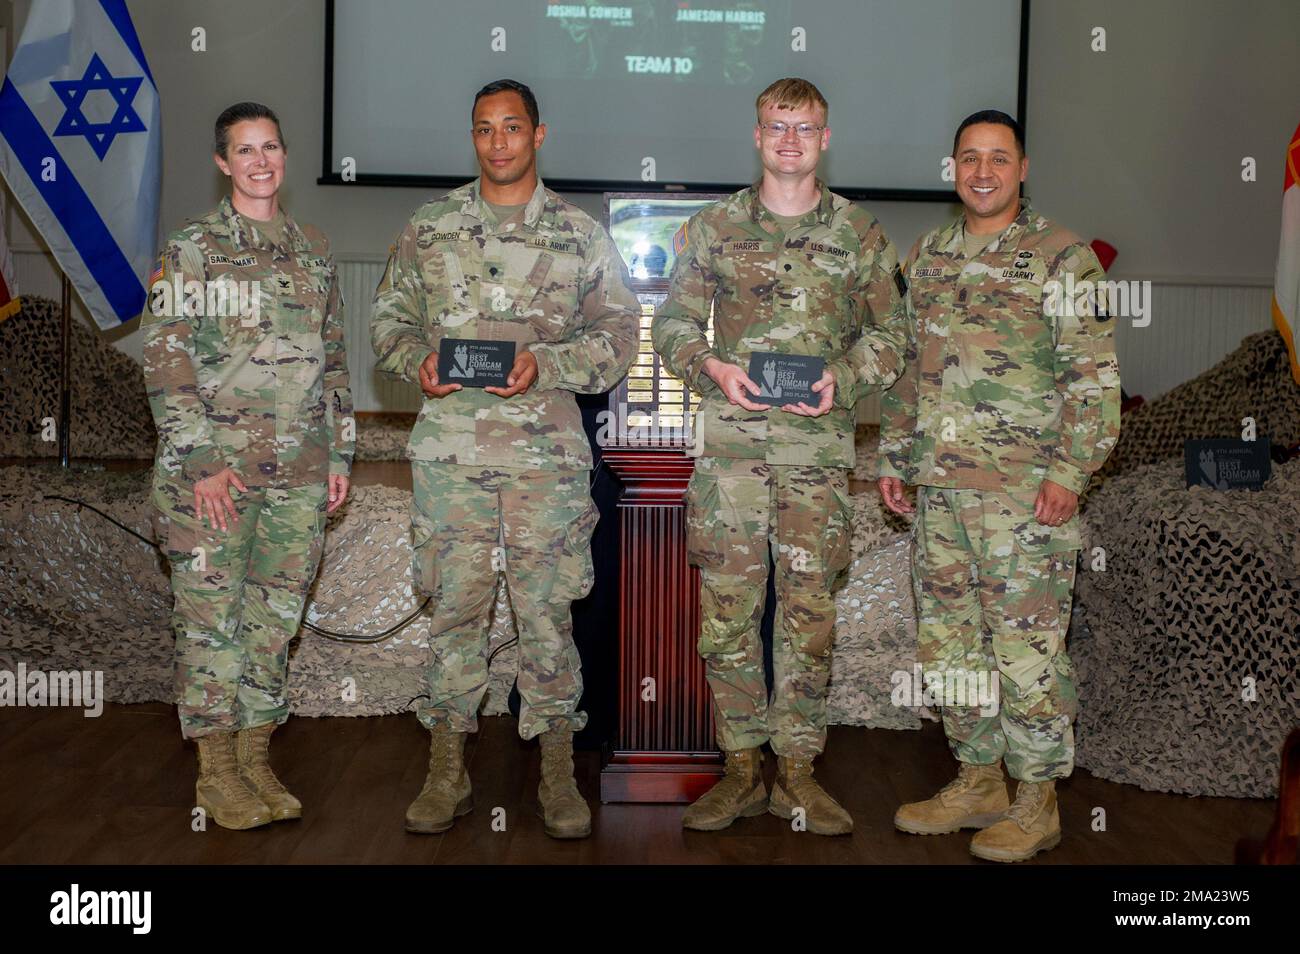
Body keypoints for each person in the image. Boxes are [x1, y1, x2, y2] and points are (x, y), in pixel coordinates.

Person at [370, 78, 639, 839]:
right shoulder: (430, 227)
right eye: (484, 128)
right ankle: (447, 771)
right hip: (451, 456)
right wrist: (418, 360)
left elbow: (619, 336)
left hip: (544, 461)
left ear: (538, 135)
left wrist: (544, 367)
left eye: (512, 128)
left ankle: (557, 772)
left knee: (547, 616)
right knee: (454, 610)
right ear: (474, 136)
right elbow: (388, 322)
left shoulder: (580, 235)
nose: (498, 142)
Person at [652, 77, 909, 835]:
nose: (789, 140)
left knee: (808, 619)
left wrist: (847, 376)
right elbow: (670, 323)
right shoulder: (715, 227)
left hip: (817, 462)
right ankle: (739, 772)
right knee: (728, 620)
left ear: (826, 139)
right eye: (776, 126)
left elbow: (894, 337)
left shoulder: (859, 234)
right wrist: (713, 367)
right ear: (757, 134)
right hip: (730, 460)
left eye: (804, 128)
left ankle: (797, 773)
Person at [878, 109, 1121, 862]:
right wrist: (895, 456)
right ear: (951, 167)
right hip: (942, 493)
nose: (982, 171)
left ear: (1022, 168)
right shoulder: (927, 256)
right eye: (969, 157)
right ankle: (978, 778)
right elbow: (908, 371)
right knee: (950, 644)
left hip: (1025, 498)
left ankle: (1037, 799)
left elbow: (1095, 382)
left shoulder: (1061, 258)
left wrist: (1069, 475)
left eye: (998, 158)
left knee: (1027, 651)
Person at [142, 102, 354, 831]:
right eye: (245, 150)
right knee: (210, 625)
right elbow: (164, 357)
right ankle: (216, 773)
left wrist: (339, 452)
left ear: (284, 157)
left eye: (271, 147)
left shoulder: (314, 247)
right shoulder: (192, 248)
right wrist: (199, 459)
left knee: (272, 624)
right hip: (212, 479)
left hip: (296, 476)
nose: (261, 160)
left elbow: (333, 359)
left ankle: (257, 754)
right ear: (223, 163)